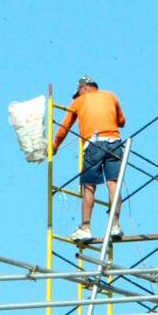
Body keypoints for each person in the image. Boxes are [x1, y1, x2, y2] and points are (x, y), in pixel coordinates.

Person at [52, 77, 126, 242]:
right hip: (115, 142)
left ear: (83, 88)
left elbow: (65, 127)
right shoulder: (111, 96)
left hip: (94, 144)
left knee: (89, 186)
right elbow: (122, 122)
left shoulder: (79, 101)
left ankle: (85, 227)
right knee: (113, 184)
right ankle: (115, 225)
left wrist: (55, 145)